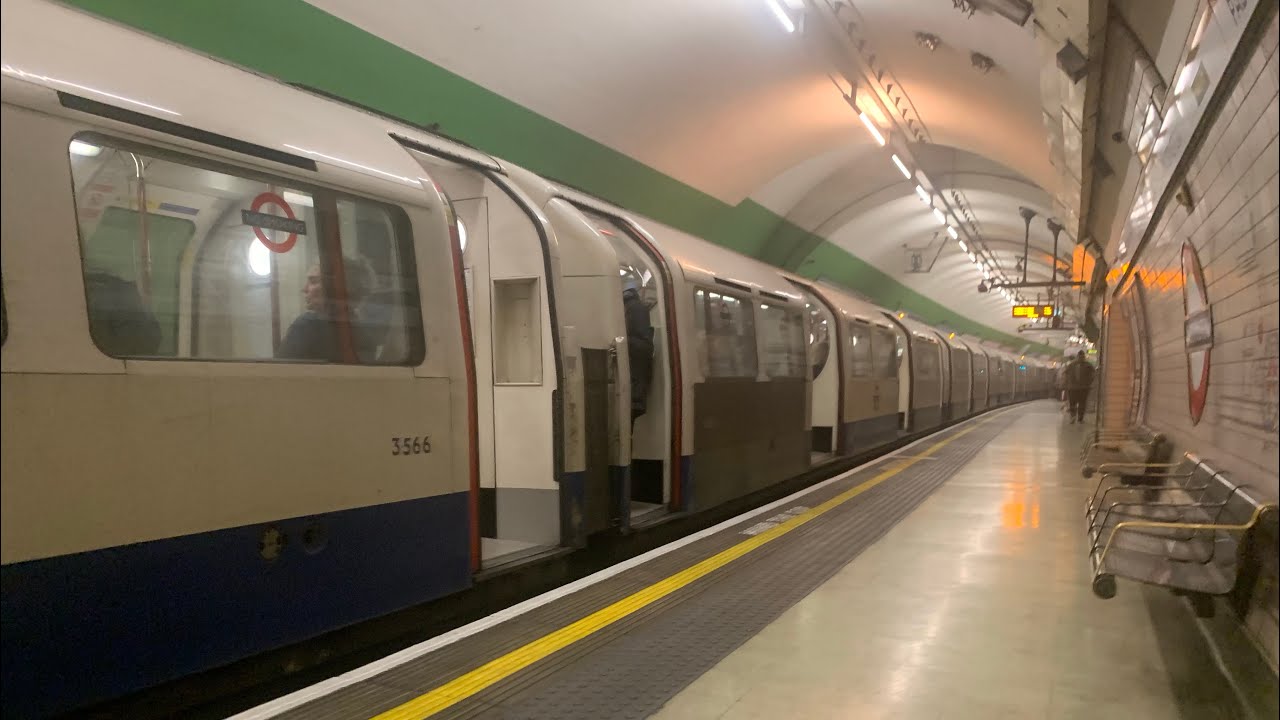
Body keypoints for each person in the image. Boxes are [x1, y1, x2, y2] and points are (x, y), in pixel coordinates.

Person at [278, 257, 375, 362]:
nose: (304, 289)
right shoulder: (366, 335)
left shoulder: (307, 325)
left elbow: (277, 371)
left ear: (336, 287)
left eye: (313, 281)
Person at [622, 275, 655, 423]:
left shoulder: (633, 308)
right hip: (635, 391)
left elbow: (640, 344)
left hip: (632, 392)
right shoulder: (637, 307)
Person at [1064, 351, 1095, 424]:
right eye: (1080, 357)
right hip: (1074, 388)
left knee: (1081, 403)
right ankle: (1074, 417)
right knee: (1074, 403)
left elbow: (1093, 375)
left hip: (1081, 388)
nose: (1081, 358)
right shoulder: (1072, 365)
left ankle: (1079, 418)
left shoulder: (1088, 365)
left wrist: (1089, 383)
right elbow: (1066, 374)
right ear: (1078, 357)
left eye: (1082, 357)